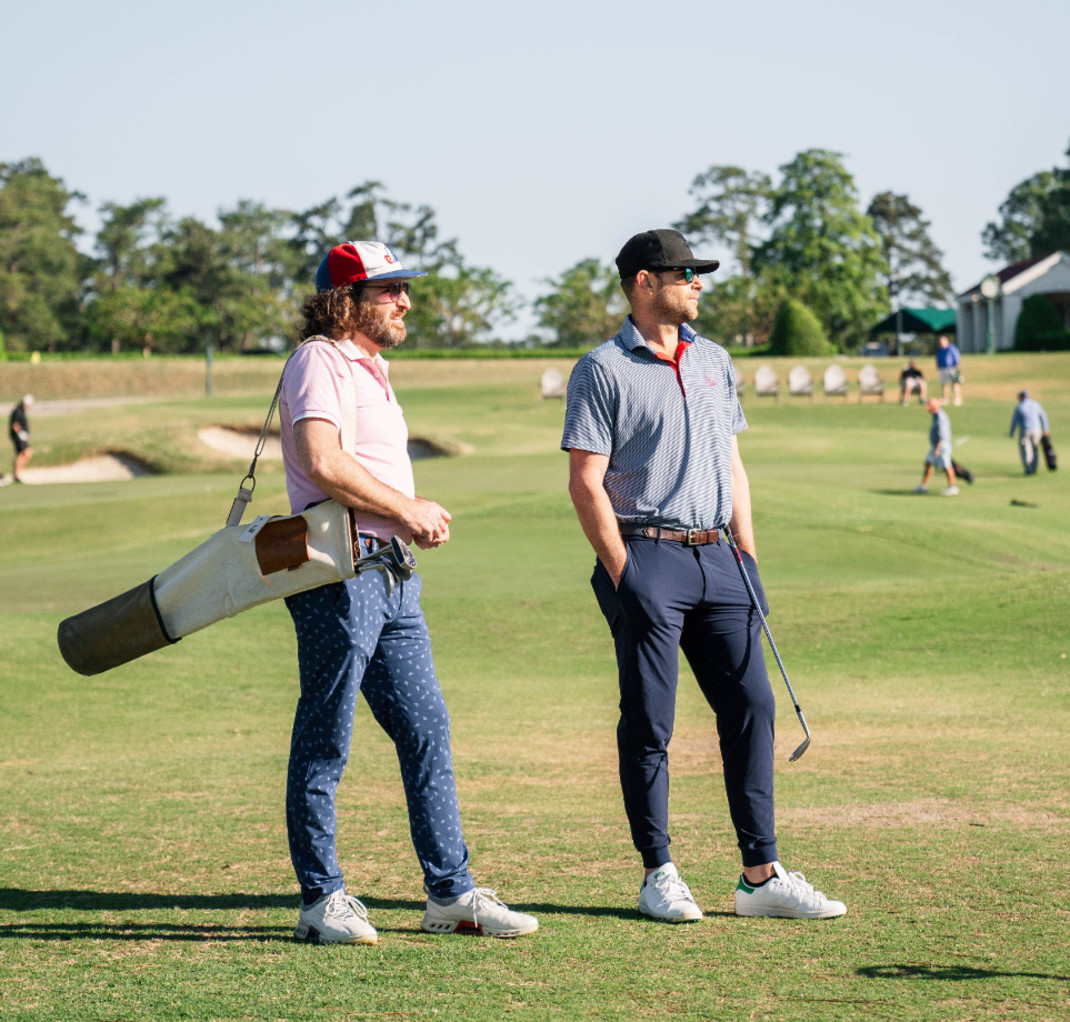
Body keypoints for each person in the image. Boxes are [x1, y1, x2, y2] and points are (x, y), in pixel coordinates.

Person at [562, 228, 846, 925]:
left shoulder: (715, 360)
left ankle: (760, 876)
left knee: (753, 708)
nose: (697, 283)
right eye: (683, 272)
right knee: (650, 721)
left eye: (698, 273)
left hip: (720, 557)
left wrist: (748, 555)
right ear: (643, 282)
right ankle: (658, 872)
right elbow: (585, 481)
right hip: (647, 554)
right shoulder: (602, 369)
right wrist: (625, 574)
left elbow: (732, 465)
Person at [279, 241, 537, 944]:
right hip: (341, 574)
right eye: (389, 290)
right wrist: (407, 508)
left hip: (391, 575)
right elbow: (323, 461)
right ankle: (320, 900)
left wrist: (404, 521)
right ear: (346, 299)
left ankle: (450, 894)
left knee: (427, 729)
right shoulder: (320, 359)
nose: (405, 302)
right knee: (326, 735)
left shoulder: (371, 367)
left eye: (403, 289)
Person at [914, 397, 957, 495]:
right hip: (936, 445)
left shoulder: (940, 417)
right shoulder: (936, 415)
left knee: (946, 466)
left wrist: (938, 449)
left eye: (929, 407)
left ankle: (953, 487)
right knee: (928, 463)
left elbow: (943, 436)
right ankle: (923, 486)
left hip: (941, 446)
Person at [1009, 390, 1050, 475]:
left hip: (1025, 430)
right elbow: (1043, 417)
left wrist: (1011, 433)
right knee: (1035, 449)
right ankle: (1035, 467)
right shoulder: (1036, 404)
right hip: (1036, 430)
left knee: (1026, 450)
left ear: (1021, 397)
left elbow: (1014, 421)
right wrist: (1045, 429)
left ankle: (1028, 469)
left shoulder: (1020, 406)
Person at [7, 394, 34, 484]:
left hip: (21, 437)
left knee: (24, 454)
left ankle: (17, 474)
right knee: (25, 453)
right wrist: (21, 434)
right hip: (18, 437)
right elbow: (15, 425)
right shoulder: (18, 411)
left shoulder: (21, 411)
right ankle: (16, 474)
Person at [935, 335, 962, 406]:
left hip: (952, 368)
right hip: (943, 368)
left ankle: (957, 399)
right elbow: (937, 358)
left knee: (955, 383)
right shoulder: (939, 349)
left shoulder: (952, 348)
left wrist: (956, 366)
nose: (941, 343)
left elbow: (957, 357)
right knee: (945, 384)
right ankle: (945, 399)